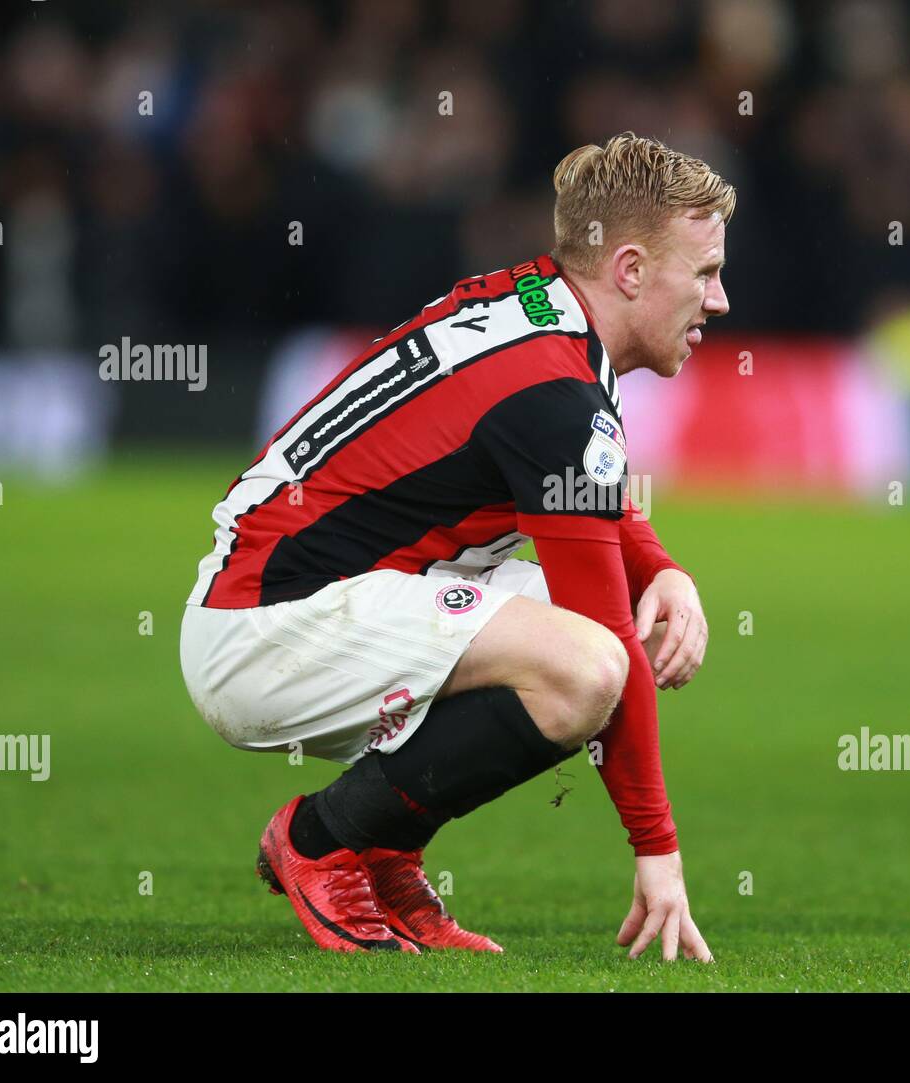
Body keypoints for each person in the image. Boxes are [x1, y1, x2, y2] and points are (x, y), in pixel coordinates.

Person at [178, 132, 732, 961]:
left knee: (595, 637)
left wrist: (665, 568)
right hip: (267, 623)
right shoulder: (555, 390)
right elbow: (602, 620)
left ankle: (382, 851)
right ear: (629, 270)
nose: (719, 301)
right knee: (587, 662)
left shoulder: (540, 306)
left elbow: (587, 485)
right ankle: (322, 840)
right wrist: (658, 852)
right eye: (706, 272)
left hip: (314, 587)